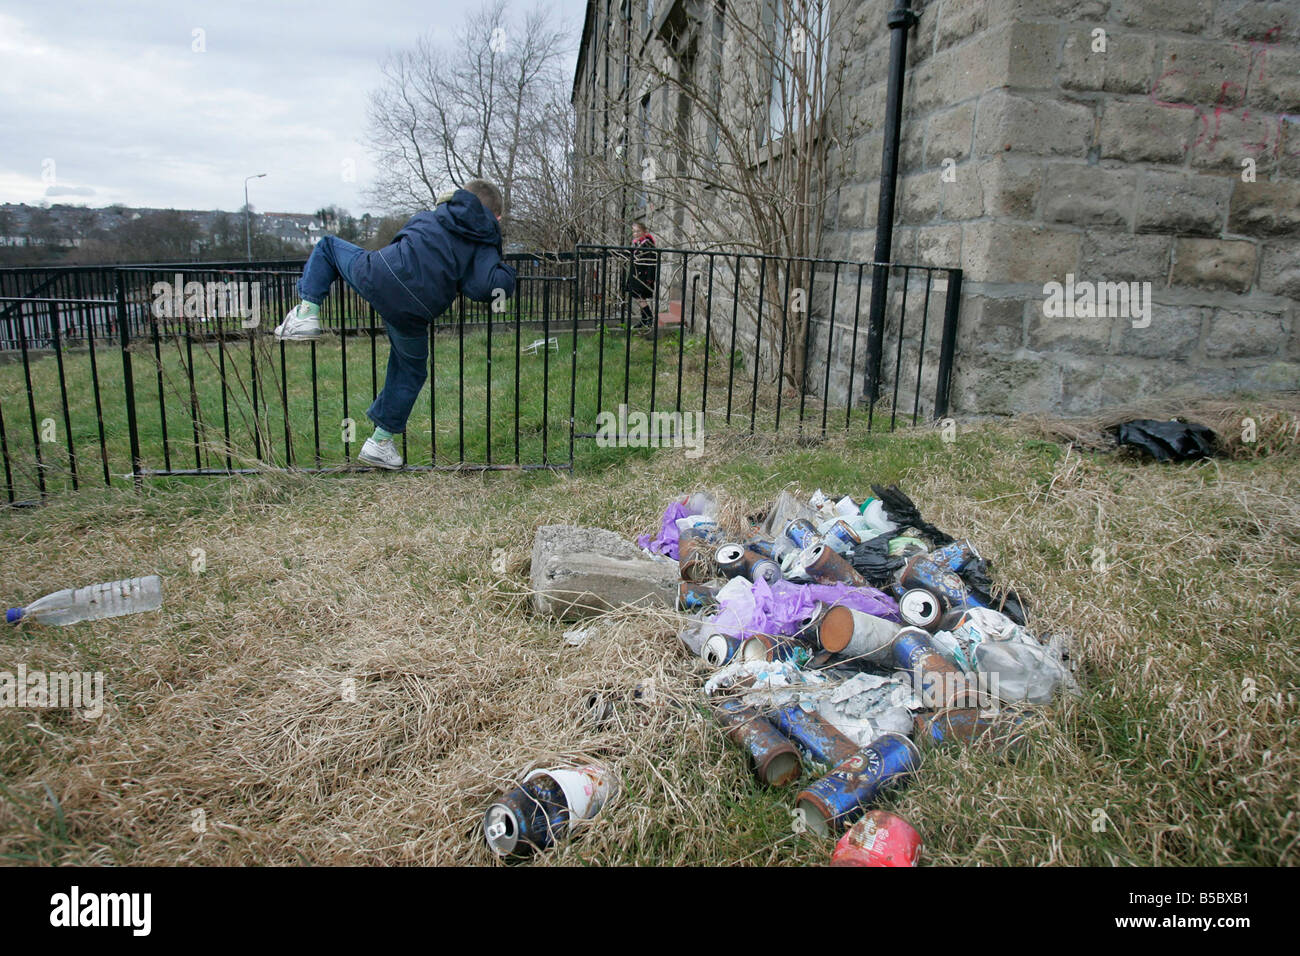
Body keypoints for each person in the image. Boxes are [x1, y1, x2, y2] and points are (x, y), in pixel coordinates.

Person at [274, 180, 517, 469]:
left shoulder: (435, 214)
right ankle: (380, 441)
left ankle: (306, 312)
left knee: (328, 246)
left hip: (383, 273)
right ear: (497, 217)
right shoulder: (484, 241)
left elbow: (404, 238)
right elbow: (484, 288)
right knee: (410, 370)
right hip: (417, 308)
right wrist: (505, 271)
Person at [624, 220, 658, 330]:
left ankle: (648, 317)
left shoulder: (647, 244)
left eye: (638, 231)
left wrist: (650, 278)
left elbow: (651, 261)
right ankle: (644, 320)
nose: (636, 234)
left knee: (639, 296)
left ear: (644, 231)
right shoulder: (636, 243)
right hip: (636, 274)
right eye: (634, 232)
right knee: (638, 296)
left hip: (643, 275)